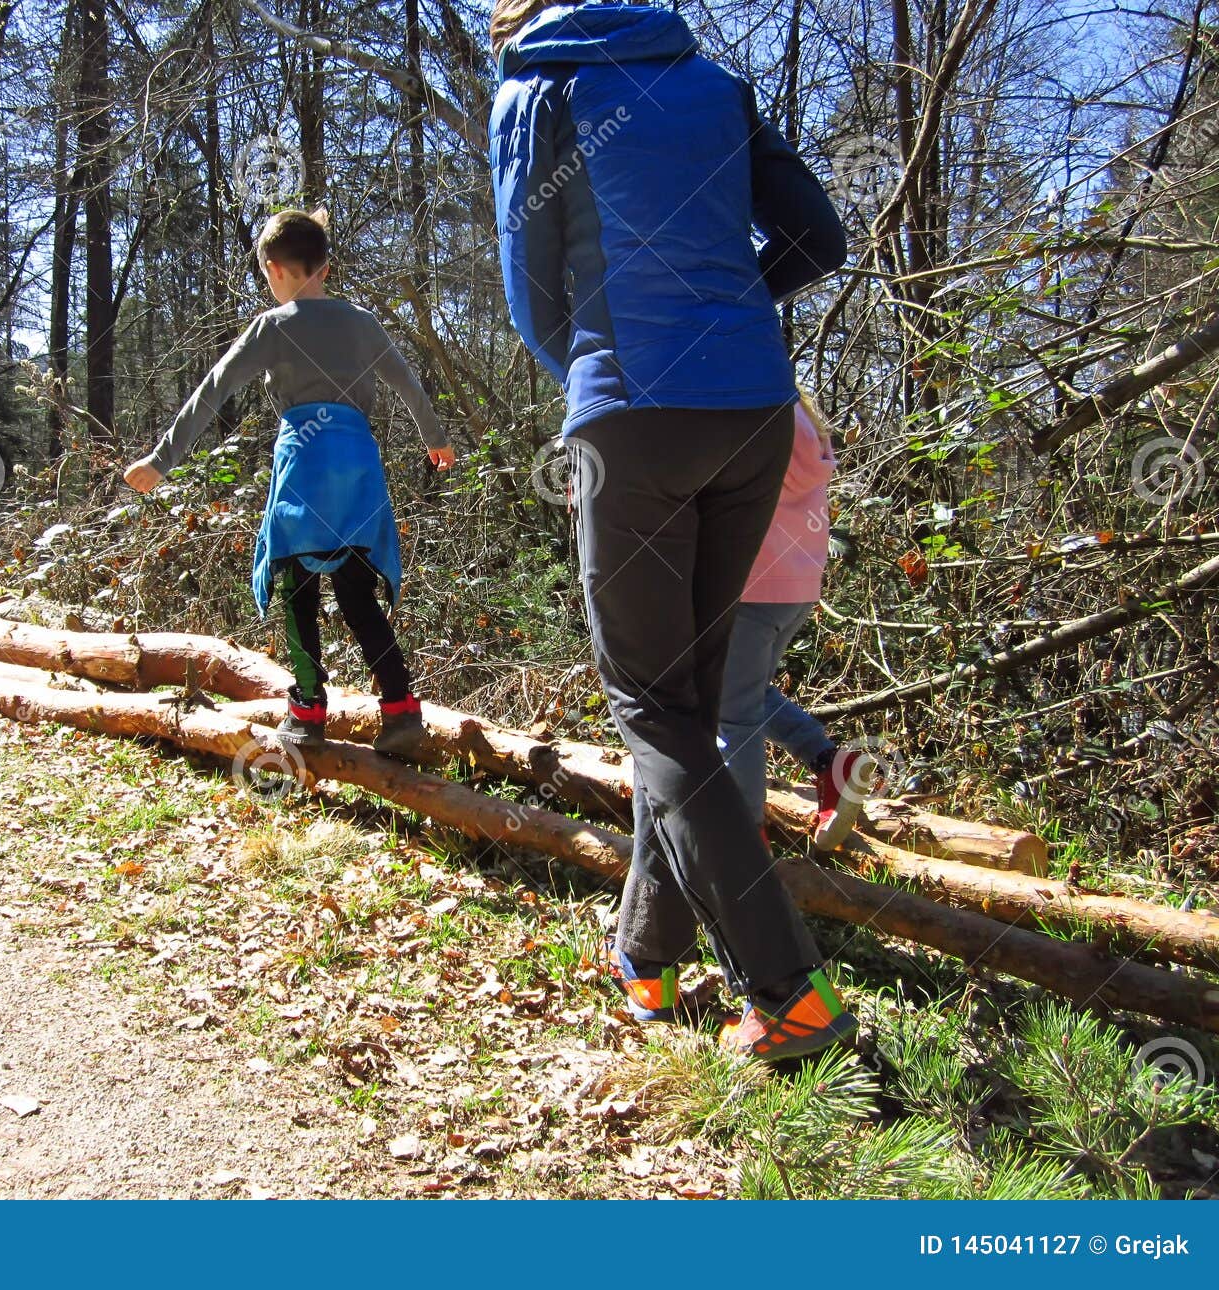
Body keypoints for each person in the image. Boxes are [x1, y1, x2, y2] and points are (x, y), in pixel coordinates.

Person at [489, 1, 853, 1060]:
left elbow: (529, 289)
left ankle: (789, 996)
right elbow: (816, 237)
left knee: (652, 708)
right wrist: (728, 310)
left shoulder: (538, 89)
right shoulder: (713, 80)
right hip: (751, 413)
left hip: (632, 410)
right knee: (684, 709)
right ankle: (647, 957)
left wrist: (599, 378)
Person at [122, 208, 456, 754]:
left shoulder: (273, 327)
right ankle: (400, 713)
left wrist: (161, 460)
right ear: (324, 266)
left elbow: (213, 390)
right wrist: (435, 438)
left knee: (297, 588)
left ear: (275, 270)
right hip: (358, 469)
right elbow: (409, 385)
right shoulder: (364, 324)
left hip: (304, 468)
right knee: (356, 591)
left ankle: (307, 712)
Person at [717, 389, 878, 850]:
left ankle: (744, 845)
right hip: (796, 590)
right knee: (748, 695)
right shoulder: (803, 427)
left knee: (734, 716)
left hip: (752, 589)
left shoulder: (752, 412)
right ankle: (833, 765)